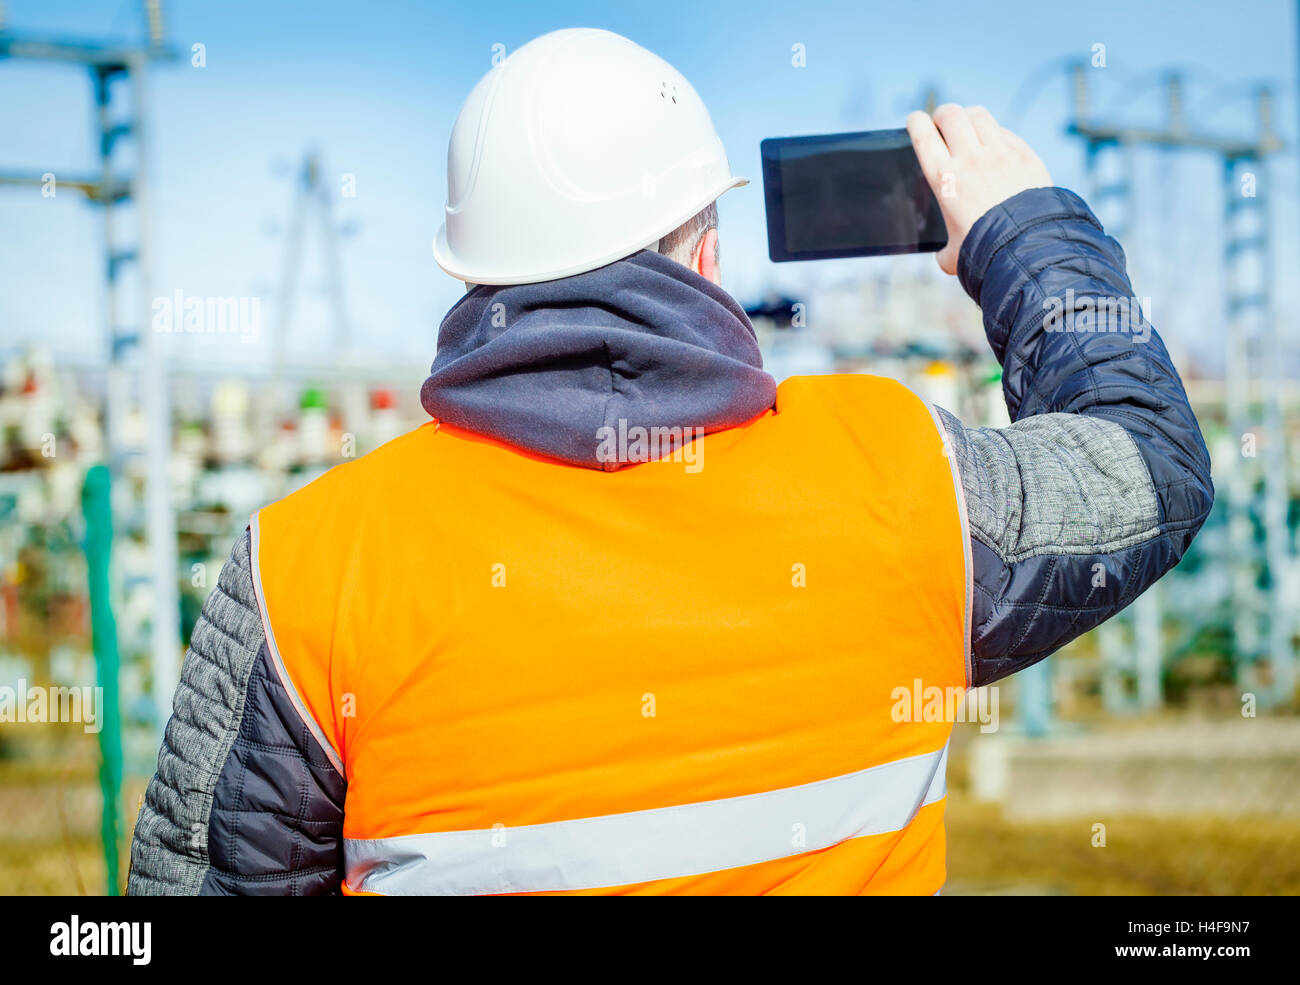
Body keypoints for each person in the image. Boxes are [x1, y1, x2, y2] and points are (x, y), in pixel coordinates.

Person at [128, 29, 1212, 895]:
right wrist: (1019, 232)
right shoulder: (898, 470)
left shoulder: (309, 562)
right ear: (705, 254)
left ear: (470, 266)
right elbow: (1145, 457)